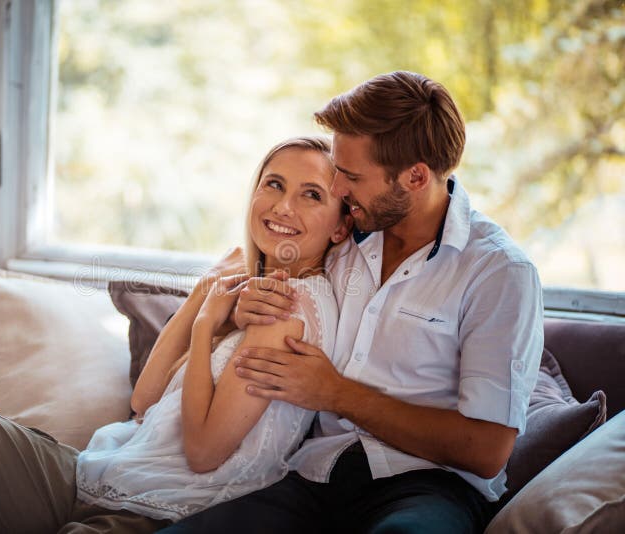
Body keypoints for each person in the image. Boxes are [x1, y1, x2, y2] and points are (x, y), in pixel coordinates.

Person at [0, 136, 353, 534]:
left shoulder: (286, 306)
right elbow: (144, 400)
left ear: (339, 226)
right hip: (100, 471)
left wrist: (206, 327)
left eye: (312, 195)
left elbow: (205, 453)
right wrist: (204, 296)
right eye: (273, 183)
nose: (283, 206)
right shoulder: (251, 290)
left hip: (151, 511)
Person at [158, 71, 544, 534]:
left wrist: (336, 394)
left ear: (416, 177)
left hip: (426, 487)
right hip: (313, 474)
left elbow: (486, 450)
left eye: (352, 176)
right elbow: (265, 258)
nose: (338, 188)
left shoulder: (498, 273)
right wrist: (242, 307)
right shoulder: (347, 236)